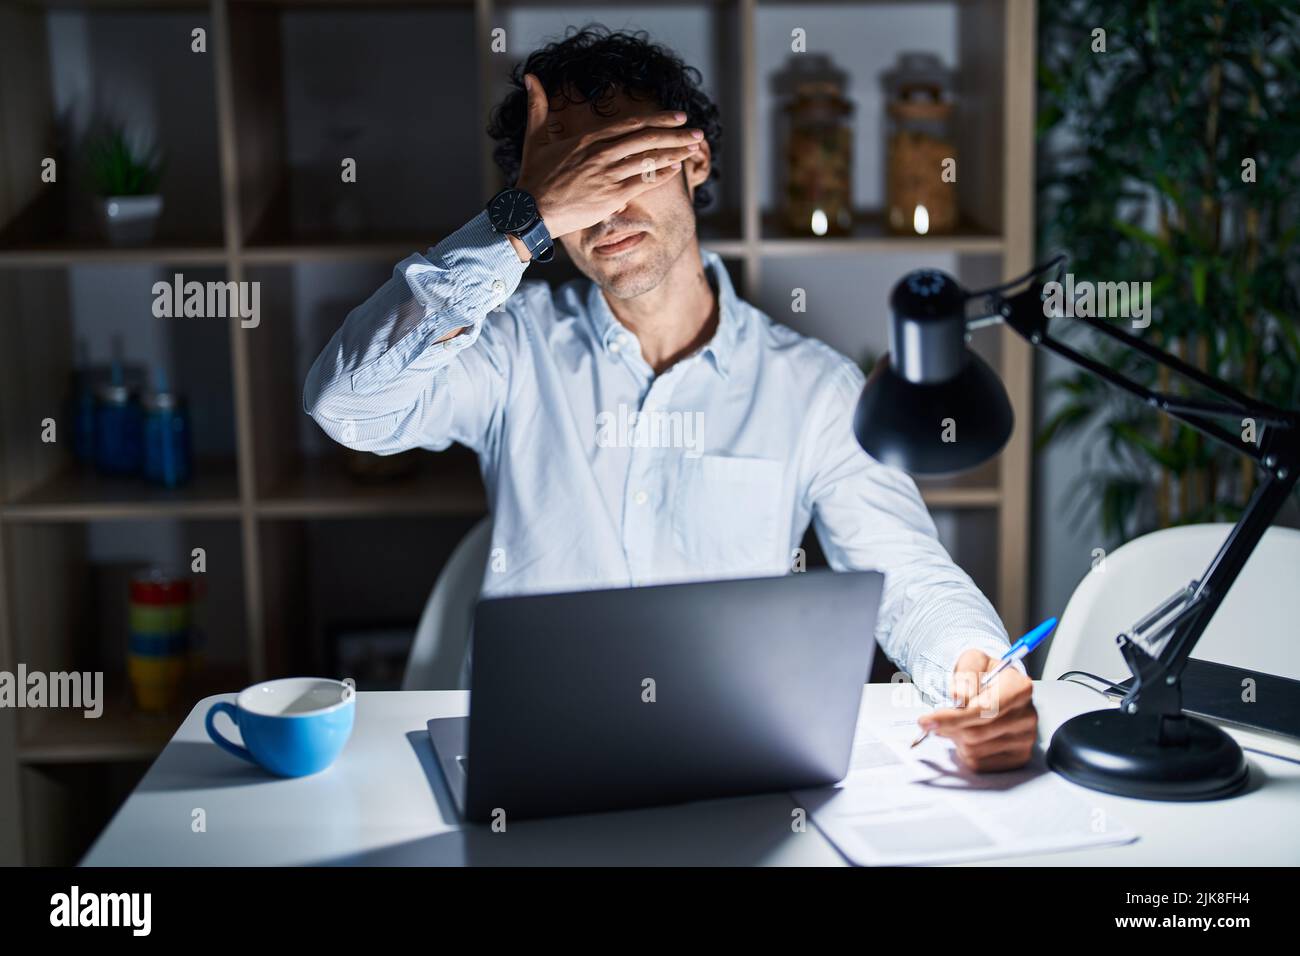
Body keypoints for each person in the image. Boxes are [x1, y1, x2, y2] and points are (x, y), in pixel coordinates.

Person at [304, 27, 1036, 771]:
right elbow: (349, 406)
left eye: (624, 166)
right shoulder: (508, 350)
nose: (605, 212)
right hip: (535, 764)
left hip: (731, 763)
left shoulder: (813, 387)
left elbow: (907, 574)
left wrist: (977, 663)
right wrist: (520, 225)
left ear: (693, 159)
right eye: (573, 186)